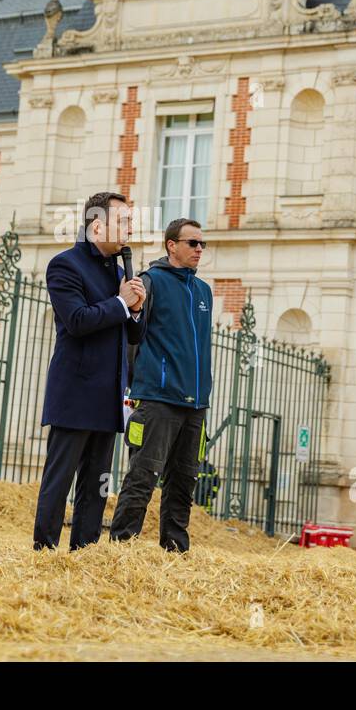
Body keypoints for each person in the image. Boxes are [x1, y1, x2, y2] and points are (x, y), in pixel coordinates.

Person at [33, 191, 145, 550]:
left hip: (109, 397)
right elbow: (78, 321)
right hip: (76, 394)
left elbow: (132, 335)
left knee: (97, 485)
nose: (130, 228)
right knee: (59, 481)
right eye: (123, 221)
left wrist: (136, 310)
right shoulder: (64, 265)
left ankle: (85, 553)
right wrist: (120, 303)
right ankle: (45, 551)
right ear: (98, 225)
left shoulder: (119, 271)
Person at [109, 218, 213, 552]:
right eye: (192, 243)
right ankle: (121, 549)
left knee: (184, 483)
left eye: (202, 244)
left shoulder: (203, 292)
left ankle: (175, 552)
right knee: (143, 476)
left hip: (195, 404)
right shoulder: (150, 282)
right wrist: (135, 385)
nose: (199, 249)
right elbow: (132, 336)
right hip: (157, 399)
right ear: (172, 245)